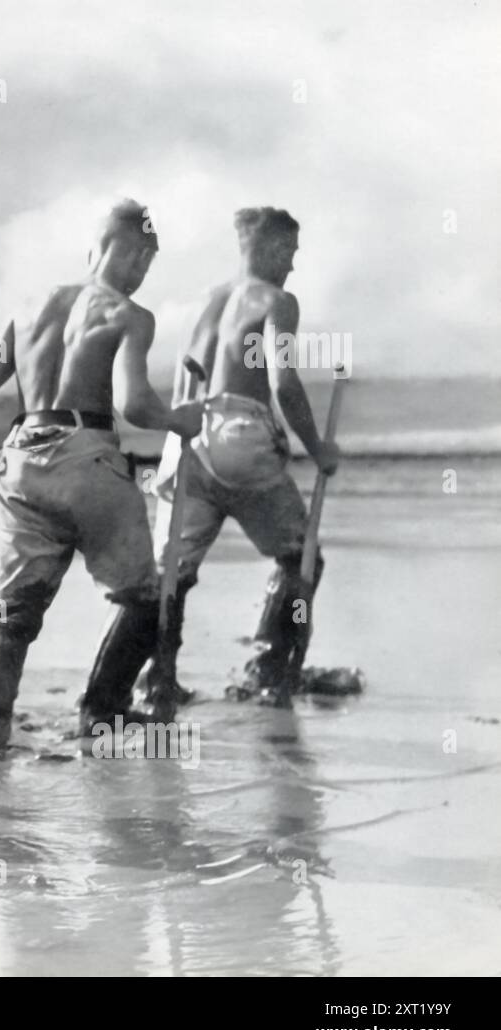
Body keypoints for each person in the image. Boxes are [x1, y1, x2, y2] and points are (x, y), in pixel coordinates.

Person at [0, 200, 202, 760]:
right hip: (86, 455)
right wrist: (176, 420)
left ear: (93, 247)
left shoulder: (28, 309)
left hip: (19, 458)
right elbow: (133, 402)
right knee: (146, 600)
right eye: (147, 260)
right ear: (140, 255)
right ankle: (102, 714)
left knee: (6, 611)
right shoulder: (127, 314)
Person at [144, 207, 340, 708]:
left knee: (173, 572)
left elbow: (188, 376)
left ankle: (157, 681)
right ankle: (270, 671)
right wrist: (316, 448)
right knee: (301, 558)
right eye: (291, 253)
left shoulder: (209, 300)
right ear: (273, 248)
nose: (293, 266)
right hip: (241, 435)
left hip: (186, 438)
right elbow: (283, 382)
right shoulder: (277, 300)